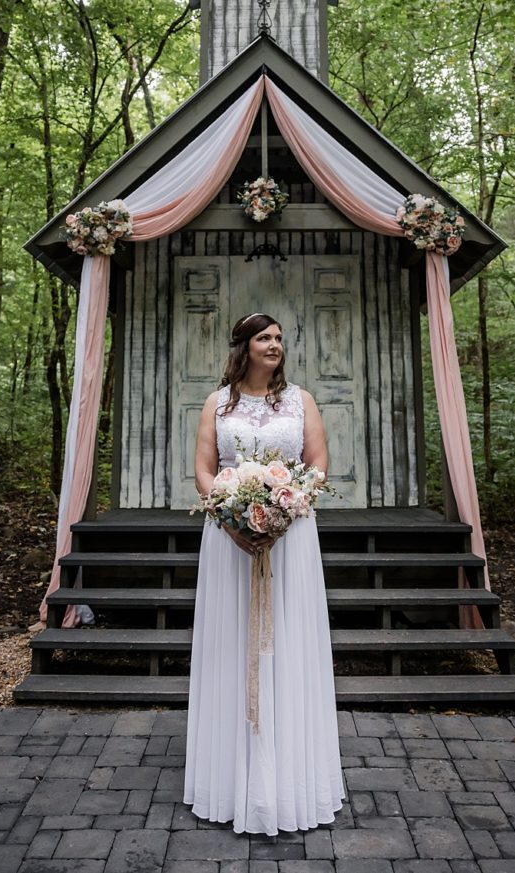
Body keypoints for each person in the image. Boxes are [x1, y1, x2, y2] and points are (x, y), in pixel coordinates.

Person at [183, 312, 344, 835]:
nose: (274, 344)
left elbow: (318, 464)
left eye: (278, 338)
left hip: (290, 538)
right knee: (232, 645)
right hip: (228, 539)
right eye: (264, 337)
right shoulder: (217, 403)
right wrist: (230, 517)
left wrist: (284, 509)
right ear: (244, 347)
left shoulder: (301, 401)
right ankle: (230, 779)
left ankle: (292, 777)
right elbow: (205, 469)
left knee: (288, 644)